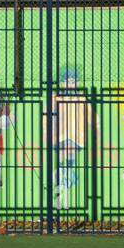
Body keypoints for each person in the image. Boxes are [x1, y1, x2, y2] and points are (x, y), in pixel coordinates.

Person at [44, 69, 94, 210]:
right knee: (63, 154)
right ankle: (62, 184)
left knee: (68, 154)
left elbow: (91, 117)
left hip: (76, 136)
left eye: (73, 81)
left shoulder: (81, 97)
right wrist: (48, 132)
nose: (70, 84)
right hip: (60, 135)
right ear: (62, 82)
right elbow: (49, 115)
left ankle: (64, 178)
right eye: (67, 81)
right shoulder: (56, 97)